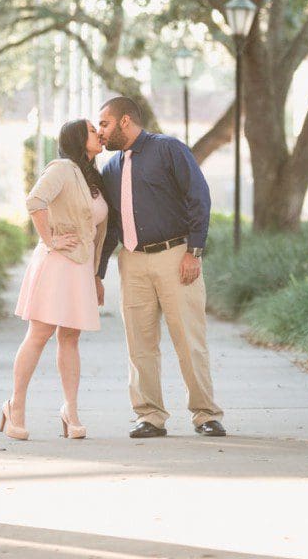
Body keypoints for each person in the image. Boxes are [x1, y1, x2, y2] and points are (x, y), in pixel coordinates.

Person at [96, 96, 226, 438]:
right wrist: (98, 273)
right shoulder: (111, 168)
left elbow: (198, 196)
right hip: (132, 261)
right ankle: (149, 416)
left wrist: (194, 251)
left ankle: (205, 414)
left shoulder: (168, 149)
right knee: (139, 343)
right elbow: (111, 226)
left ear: (125, 121)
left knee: (189, 340)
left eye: (105, 124)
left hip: (175, 255)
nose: (101, 131)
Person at [1, 119, 108, 441]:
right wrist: (50, 240)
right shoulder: (62, 168)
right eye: (93, 130)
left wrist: (96, 275)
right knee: (40, 334)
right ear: (78, 138)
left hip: (81, 267)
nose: (100, 134)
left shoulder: (93, 178)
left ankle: (70, 411)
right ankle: (15, 407)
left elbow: (96, 232)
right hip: (57, 263)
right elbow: (35, 201)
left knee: (71, 337)